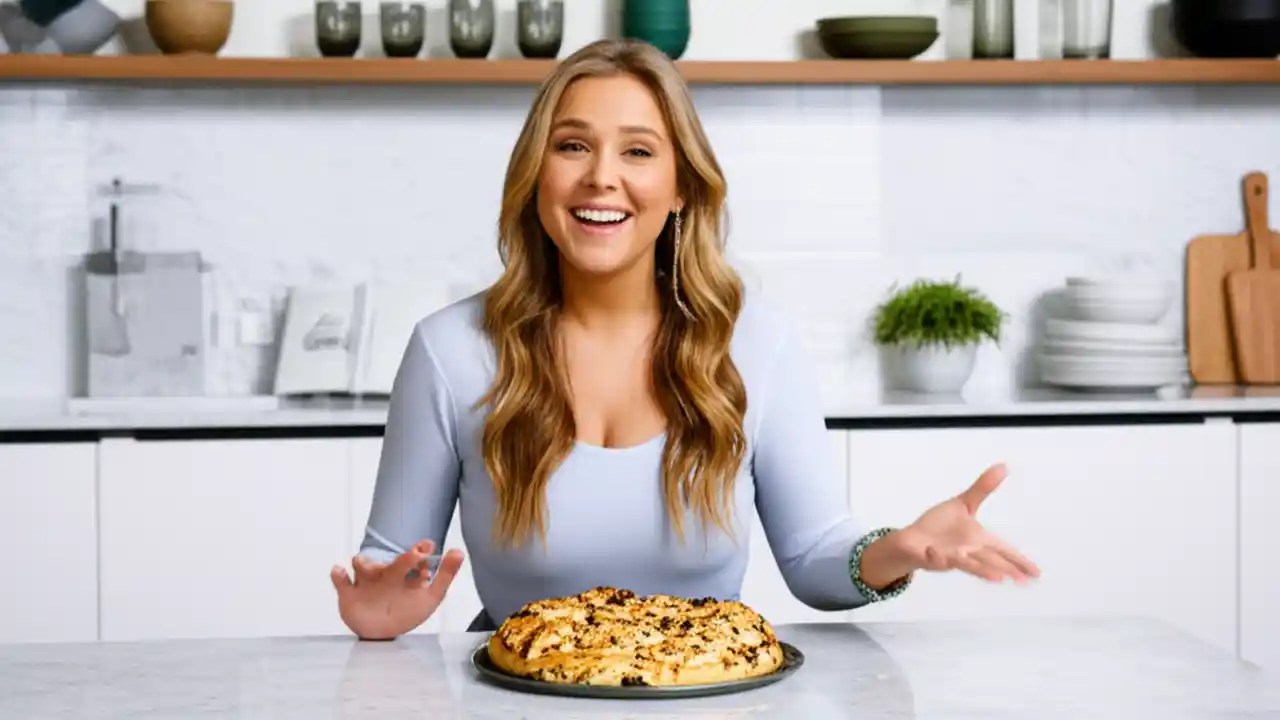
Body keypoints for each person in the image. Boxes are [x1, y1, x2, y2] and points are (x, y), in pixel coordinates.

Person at [329, 38, 1040, 641]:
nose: (601, 177)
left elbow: (816, 555)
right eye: (572, 145)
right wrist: (380, 613)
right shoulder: (450, 350)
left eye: (637, 151)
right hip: (515, 698)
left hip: (707, 696)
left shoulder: (758, 343)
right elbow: (393, 564)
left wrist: (900, 550)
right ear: (535, 176)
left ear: (680, 189)